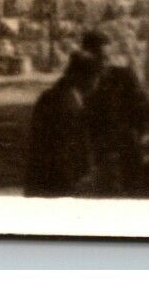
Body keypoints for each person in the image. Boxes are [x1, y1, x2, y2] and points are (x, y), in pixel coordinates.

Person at [79, 30, 149, 195]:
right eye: (100, 58)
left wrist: (143, 133)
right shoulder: (80, 84)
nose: (104, 63)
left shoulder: (124, 77)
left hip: (127, 149)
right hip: (99, 153)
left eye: (107, 57)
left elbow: (144, 107)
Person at [23, 49, 103, 197]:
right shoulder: (68, 103)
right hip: (57, 182)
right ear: (84, 77)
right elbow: (68, 149)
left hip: (42, 178)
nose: (96, 84)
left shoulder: (52, 96)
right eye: (95, 78)